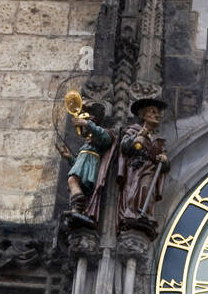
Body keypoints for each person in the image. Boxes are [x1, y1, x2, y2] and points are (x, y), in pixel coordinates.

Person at [117, 97, 170, 236]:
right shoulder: (134, 130)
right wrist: (138, 137)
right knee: (138, 188)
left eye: (158, 112)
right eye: (152, 112)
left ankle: (145, 213)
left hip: (150, 170)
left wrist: (163, 160)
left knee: (148, 191)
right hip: (136, 169)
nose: (157, 115)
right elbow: (124, 147)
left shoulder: (158, 140)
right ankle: (133, 212)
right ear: (143, 115)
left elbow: (166, 166)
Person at [57, 101, 114, 226]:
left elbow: (106, 139)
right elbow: (78, 163)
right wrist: (68, 158)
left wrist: (87, 123)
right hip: (85, 162)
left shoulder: (103, 135)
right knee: (75, 183)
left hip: (91, 162)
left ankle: (79, 204)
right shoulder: (87, 143)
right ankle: (78, 209)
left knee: (72, 180)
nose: (81, 128)